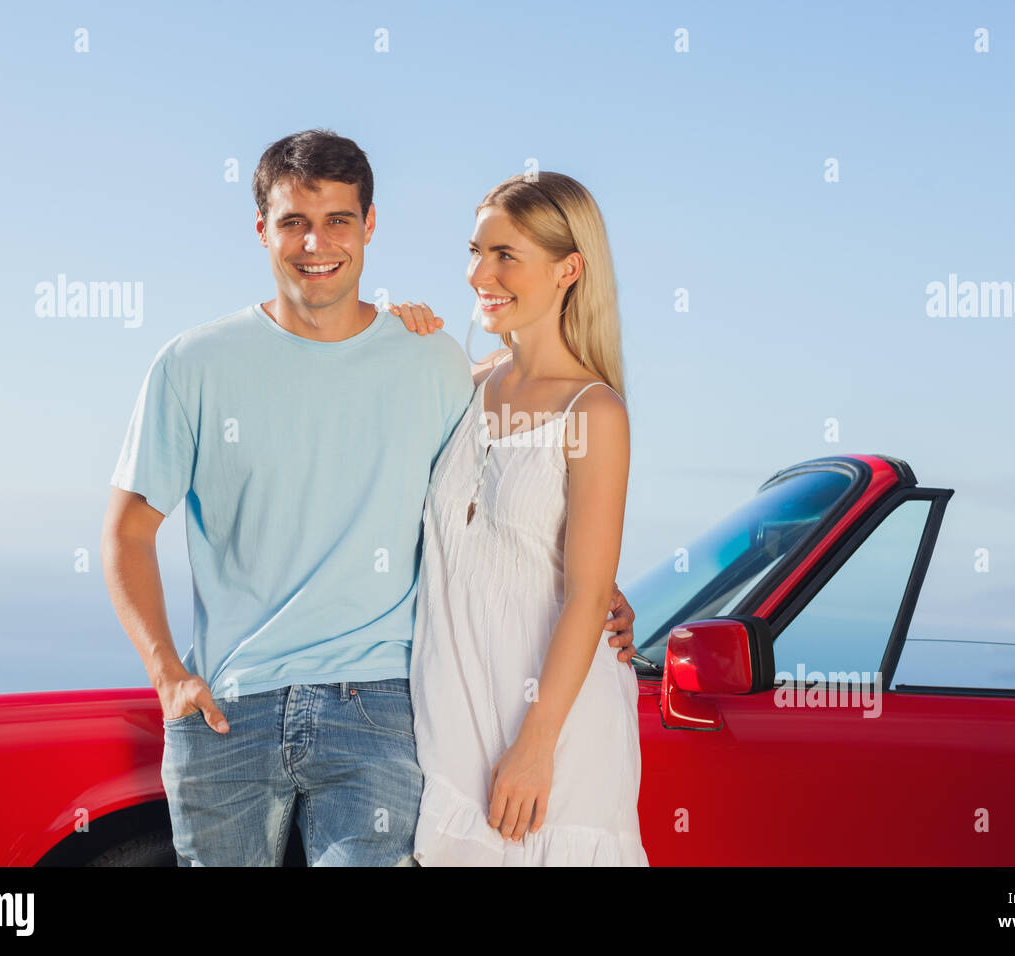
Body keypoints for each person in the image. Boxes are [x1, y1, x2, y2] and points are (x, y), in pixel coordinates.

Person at [101, 129, 639, 867]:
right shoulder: (202, 364)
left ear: (369, 226)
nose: (315, 243)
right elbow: (127, 531)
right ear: (261, 230)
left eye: (337, 221)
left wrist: (596, 592)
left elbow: (554, 533)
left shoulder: (445, 368)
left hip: (388, 707)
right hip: (253, 707)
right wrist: (167, 671)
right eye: (293, 222)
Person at [391, 172, 647, 865]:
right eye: (475, 251)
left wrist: (535, 746)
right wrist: (390, 336)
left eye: (507, 255)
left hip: (554, 734)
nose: (481, 273)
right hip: (455, 718)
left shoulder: (594, 411)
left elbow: (589, 593)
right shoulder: (464, 384)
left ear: (570, 268)